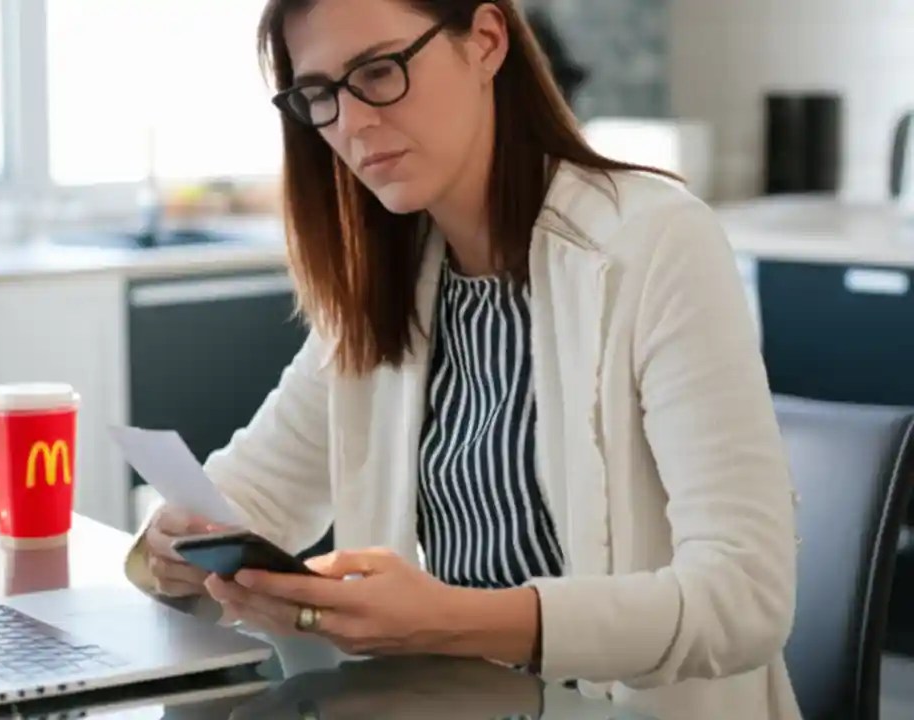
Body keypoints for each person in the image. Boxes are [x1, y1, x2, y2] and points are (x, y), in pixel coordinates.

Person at [125, 1, 800, 717]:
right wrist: (172, 548)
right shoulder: (386, 278)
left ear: (485, 41)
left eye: (379, 71)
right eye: (319, 95)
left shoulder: (655, 242)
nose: (352, 124)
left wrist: (443, 618)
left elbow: (744, 598)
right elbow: (249, 499)